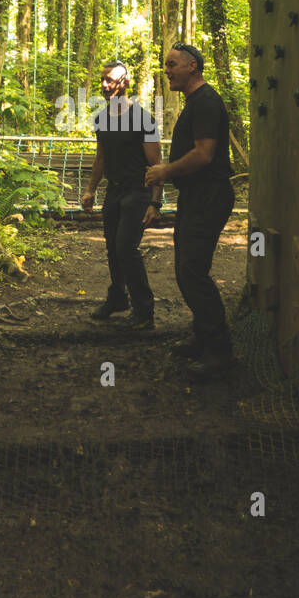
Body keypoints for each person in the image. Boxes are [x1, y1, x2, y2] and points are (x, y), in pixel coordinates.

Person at [144, 43, 235, 379]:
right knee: (186, 269)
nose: (166, 70)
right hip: (195, 197)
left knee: (193, 272)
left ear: (192, 66)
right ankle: (202, 335)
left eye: (171, 65)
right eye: (165, 65)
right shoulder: (195, 103)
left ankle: (219, 352)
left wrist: (166, 171)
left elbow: (204, 154)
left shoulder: (207, 102)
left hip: (209, 196)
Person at [82, 60, 163, 332]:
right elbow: (101, 157)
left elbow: (156, 163)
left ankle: (144, 311)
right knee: (112, 248)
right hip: (114, 191)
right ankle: (117, 298)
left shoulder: (143, 118)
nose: (105, 85)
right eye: (103, 79)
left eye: (111, 80)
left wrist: (155, 201)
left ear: (125, 83)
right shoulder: (101, 117)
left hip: (137, 192)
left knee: (126, 248)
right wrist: (90, 189)